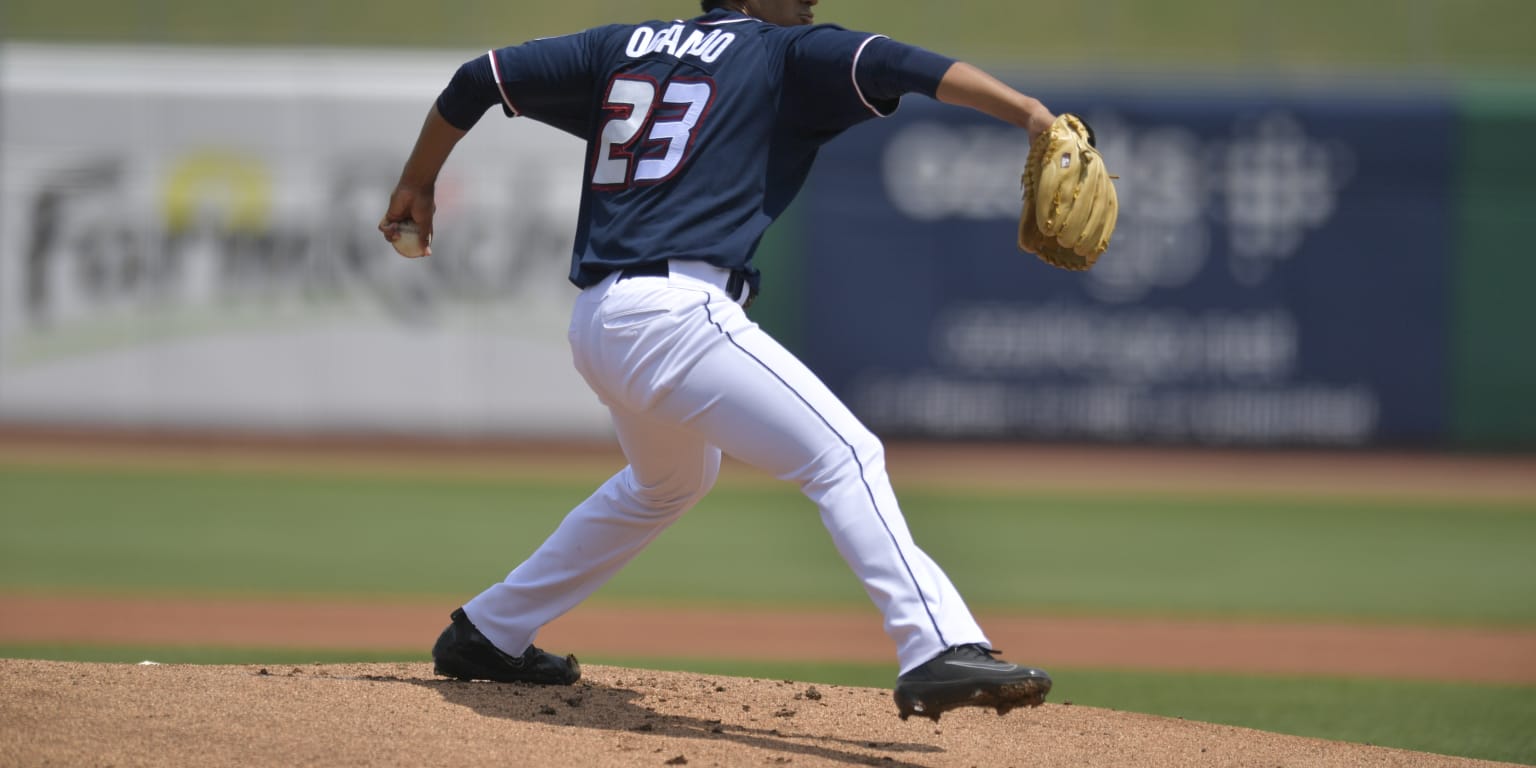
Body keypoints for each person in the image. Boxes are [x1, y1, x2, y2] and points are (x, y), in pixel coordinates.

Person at [380, 0, 1058, 721]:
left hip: (601, 319)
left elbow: (476, 78)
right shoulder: (782, 53)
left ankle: (489, 631)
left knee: (669, 480)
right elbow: (904, 66)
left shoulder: (617, 47)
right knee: (846, 456)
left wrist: (418, 180)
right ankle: (939, 644)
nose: (811, 0)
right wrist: (1028, 113)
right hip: (676, 314)